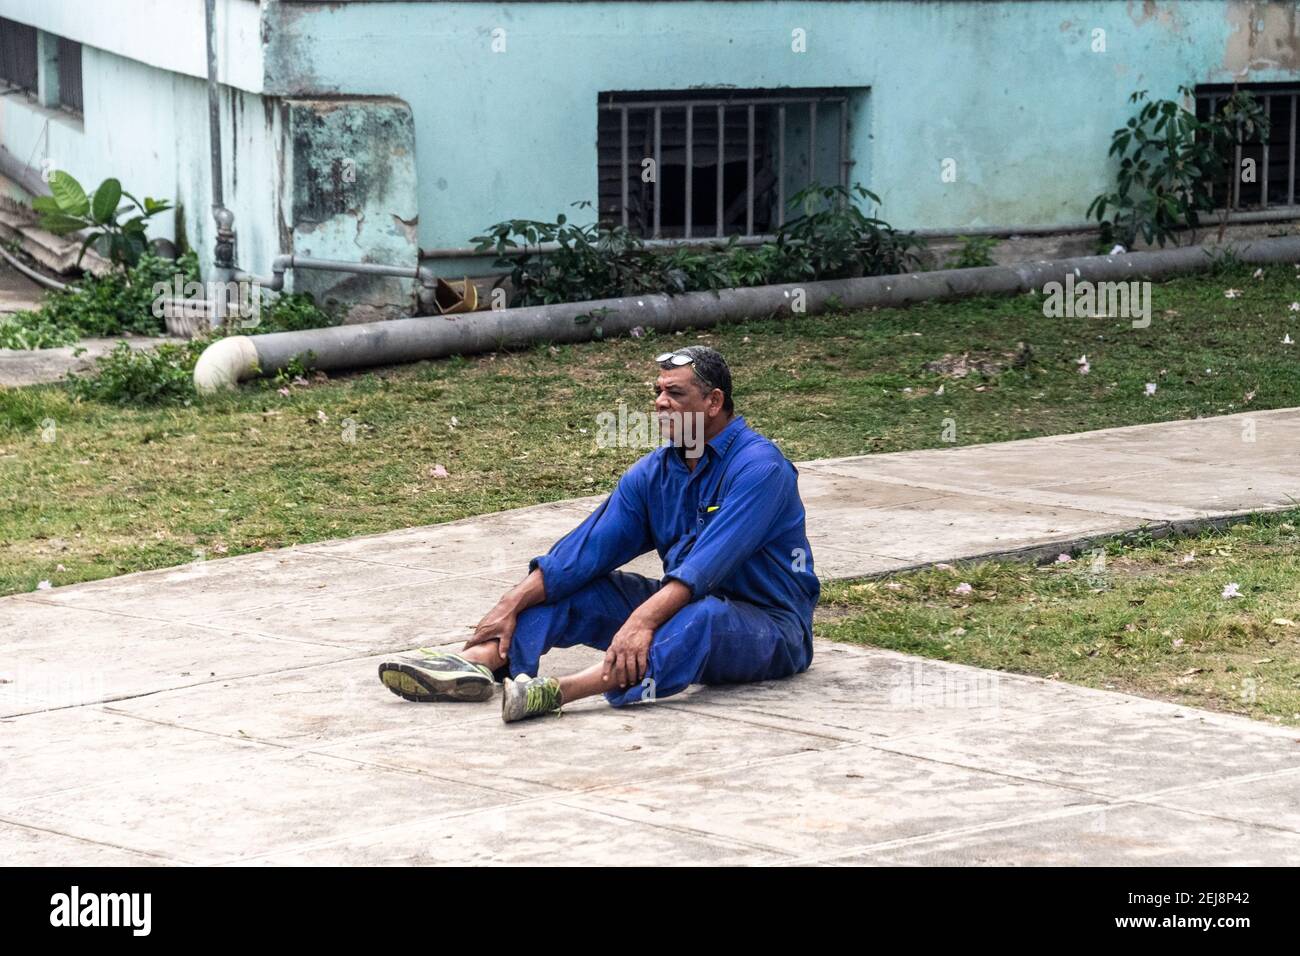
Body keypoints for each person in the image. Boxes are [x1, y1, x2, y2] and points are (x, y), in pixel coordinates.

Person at [377, 345, 820, 723]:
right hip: (683, 602)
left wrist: (640, 622)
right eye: (658, 392)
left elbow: (704, 569)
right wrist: (509, 604)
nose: (661, 403)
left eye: (675, 393)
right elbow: (585, 551)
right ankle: (479, 663)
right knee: (574, 586)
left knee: (700, 618)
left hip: (771, 628)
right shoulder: (655, 471)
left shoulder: (760, 468)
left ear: (713, 401)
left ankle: (559, 692)